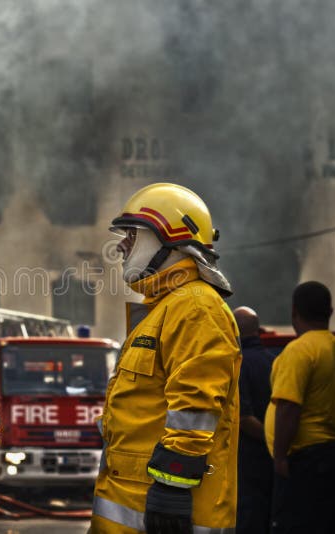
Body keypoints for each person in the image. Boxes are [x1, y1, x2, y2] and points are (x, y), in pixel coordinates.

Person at [91, 183, 241, 534]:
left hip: (165, 515)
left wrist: (173, 484)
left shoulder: (196, 308)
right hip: (134, 503)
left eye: (132, 234)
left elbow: (196, 408)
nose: (121, 246)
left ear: (168, 237)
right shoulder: (166, 308)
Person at [265, 281, 335, 534]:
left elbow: (288, 407)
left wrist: (280, 458)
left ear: (294, 313)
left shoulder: (298, 352)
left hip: (306, 464)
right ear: (330, 312)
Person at [232, 306, 275, 534]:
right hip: (276, 461)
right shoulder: (274, 361)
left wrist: (270, 440)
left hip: (249, 463)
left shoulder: (239, 364)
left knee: (251, 522)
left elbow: (244, 418)